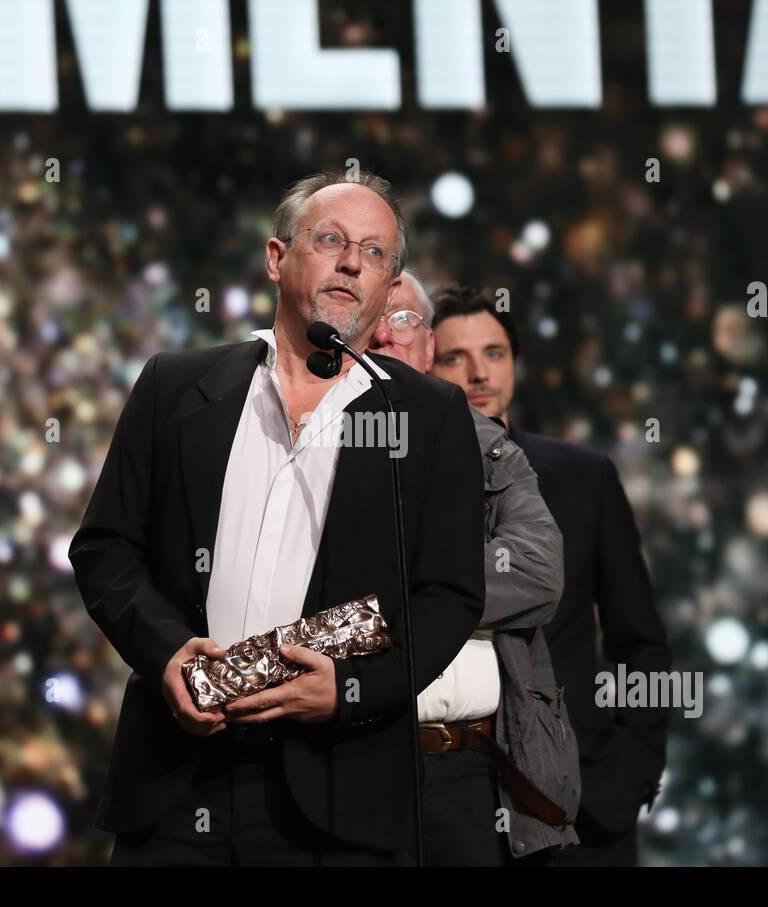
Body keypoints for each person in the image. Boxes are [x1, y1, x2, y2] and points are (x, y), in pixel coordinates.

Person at [69, 172, 486, 865]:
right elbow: (106, 548)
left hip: (339, 796)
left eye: (377, 254)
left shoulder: (429, 418)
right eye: (332, 240)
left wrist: (349, 691)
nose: (353, 261)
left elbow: (449, 596)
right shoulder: (176, 387)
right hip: (178, 784)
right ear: (276, 257)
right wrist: (167, 652)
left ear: (388, 293)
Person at [426, 284, 671, 866]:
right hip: (454, 798)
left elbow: (639, 638)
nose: (478, 373)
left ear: (514, 363)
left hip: (581, 803)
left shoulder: (583, 477)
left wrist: (633, 768)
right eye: (454, 357)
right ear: (424, 365)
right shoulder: (406, 482)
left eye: (494, 352)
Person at [368, 272, 580, 865]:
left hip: (471, 769)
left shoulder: (490, 447)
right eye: (368, 324)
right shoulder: (310, 450)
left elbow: (539, 572)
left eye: (404, 321)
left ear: (428, 348)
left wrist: (383, 587)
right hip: (353, 763)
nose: (385, 337)